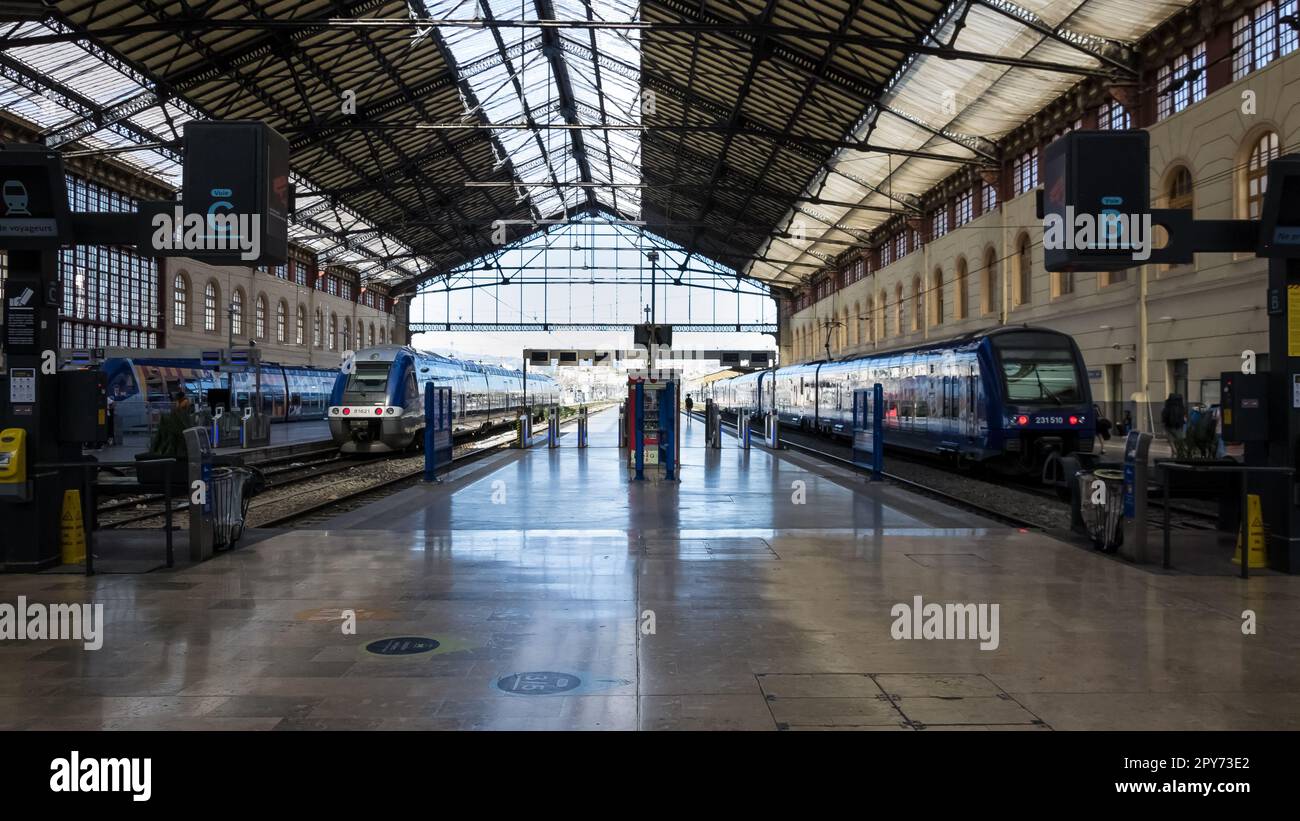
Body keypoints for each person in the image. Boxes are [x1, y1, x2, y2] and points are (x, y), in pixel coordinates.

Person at [149, 390, 195, 458]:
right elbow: (177, 409)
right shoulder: (181, 402)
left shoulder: (185, 401)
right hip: (180, 421)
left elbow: (178, 409)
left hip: (183, 420)